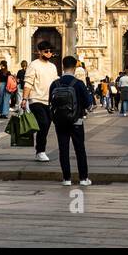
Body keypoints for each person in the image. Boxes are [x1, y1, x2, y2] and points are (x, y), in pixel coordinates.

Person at [50, 55, 94, 186]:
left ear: (62, 67)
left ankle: (67, 178)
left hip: (60, 122)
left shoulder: (55, 84)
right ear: (75, 68)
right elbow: (87, 103)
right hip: (76, 121)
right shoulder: (78, 84)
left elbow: (50, 103)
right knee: (79, 149)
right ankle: (83, 178)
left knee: (63, 149)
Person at [24, 41, 60, 161]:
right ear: (39, 52)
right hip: (36, 99)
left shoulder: (53, 67)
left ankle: (40, 150)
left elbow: (55, 83)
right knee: (44, 123)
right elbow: (28, 82)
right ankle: (40, 151)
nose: (49, 53)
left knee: (46, 126)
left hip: (49, 100)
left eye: (50, 51)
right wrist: (24, 98)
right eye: (46, 51)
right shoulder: (33, 65)